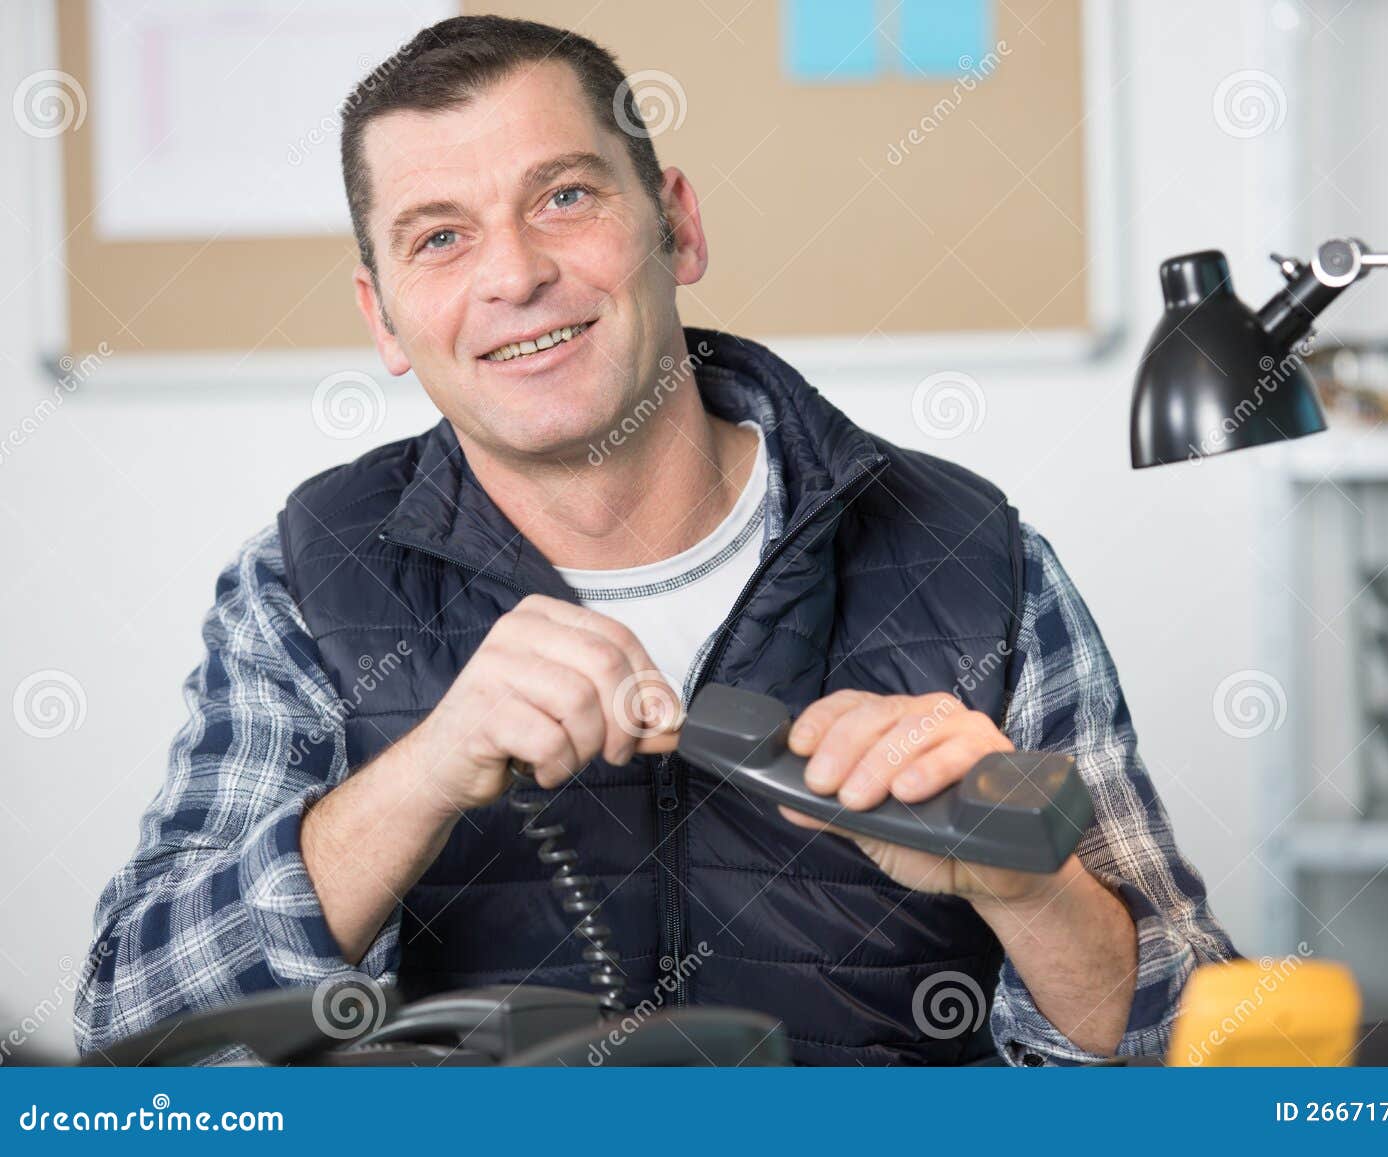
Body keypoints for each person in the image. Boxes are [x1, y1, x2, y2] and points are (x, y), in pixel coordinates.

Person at [75, 15, 1236, 1066]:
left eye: (564, 197)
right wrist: (418, 777)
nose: (516, 274)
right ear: (382, 316)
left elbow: (1205, 1048)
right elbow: (132, 1026)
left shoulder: (972, 558)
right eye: (438, 238)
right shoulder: (304, 579)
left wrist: (1025, 888)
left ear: (675, 223)